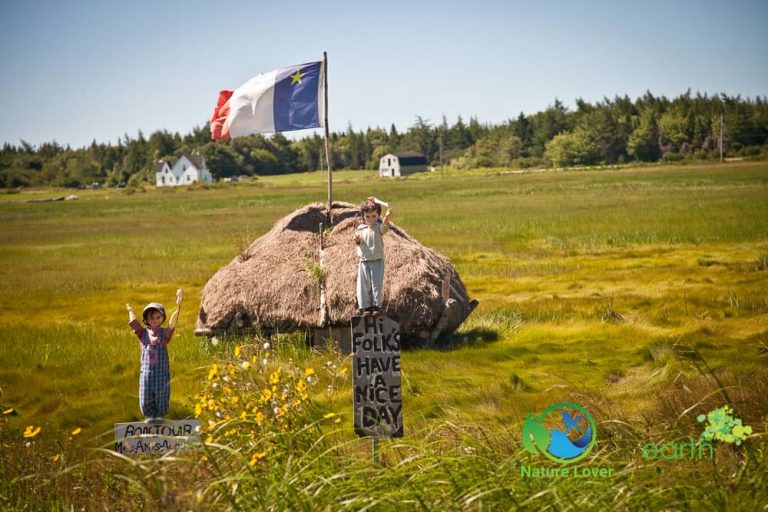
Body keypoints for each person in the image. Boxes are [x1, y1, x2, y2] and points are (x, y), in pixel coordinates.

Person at [126, 288, 182, 423]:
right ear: (146, 320)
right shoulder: (143, 334)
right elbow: (134, 324)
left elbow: (172, 324)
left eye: (158, 317)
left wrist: (178, 305)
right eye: (151, 318)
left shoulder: (164, 334)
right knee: (145, 394)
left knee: (162, 395)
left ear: (162, 317)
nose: (155, 320)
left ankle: (160, 416)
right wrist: (130, 311)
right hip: (146, 373)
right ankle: (149, 415)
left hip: (161, 374)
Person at [353, 197, 392, 316]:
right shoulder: (361, 228)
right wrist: (357, 239)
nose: (371, 219)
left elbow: (384, 228)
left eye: (374, 216)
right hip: (364, 260)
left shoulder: (379, 227)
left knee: (376, 284)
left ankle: (376, 306)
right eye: (367, 216)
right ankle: (365, 307)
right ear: (363, 216)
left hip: (377, 260)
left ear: (378, 216)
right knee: (364, 285)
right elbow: (358, 240)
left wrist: (387, 216)